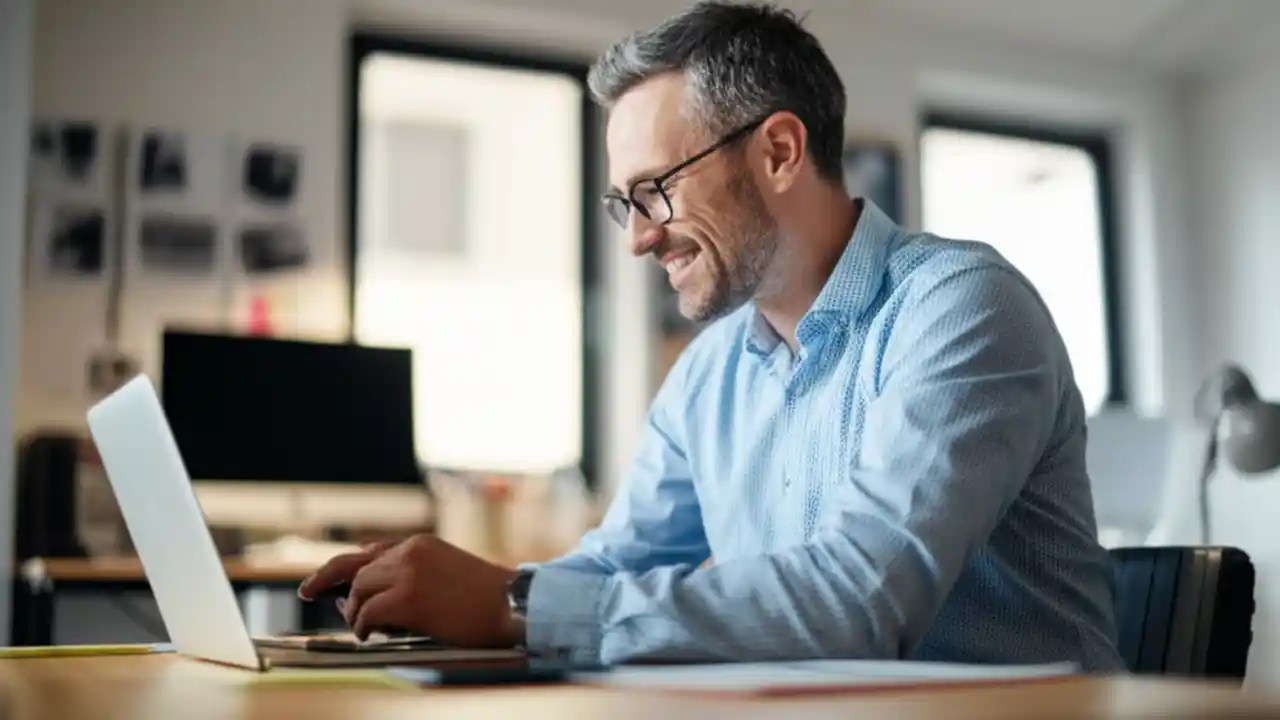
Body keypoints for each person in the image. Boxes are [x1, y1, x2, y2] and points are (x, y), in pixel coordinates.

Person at [300, 1, 1124, 671]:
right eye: (624, 204)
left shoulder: (963, 309)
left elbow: (860, 600)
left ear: (778, 151)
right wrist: (443, 590)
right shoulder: (709, 374)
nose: (637, 239)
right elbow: (614, 567)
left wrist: (511, 605)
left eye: (654, 190)